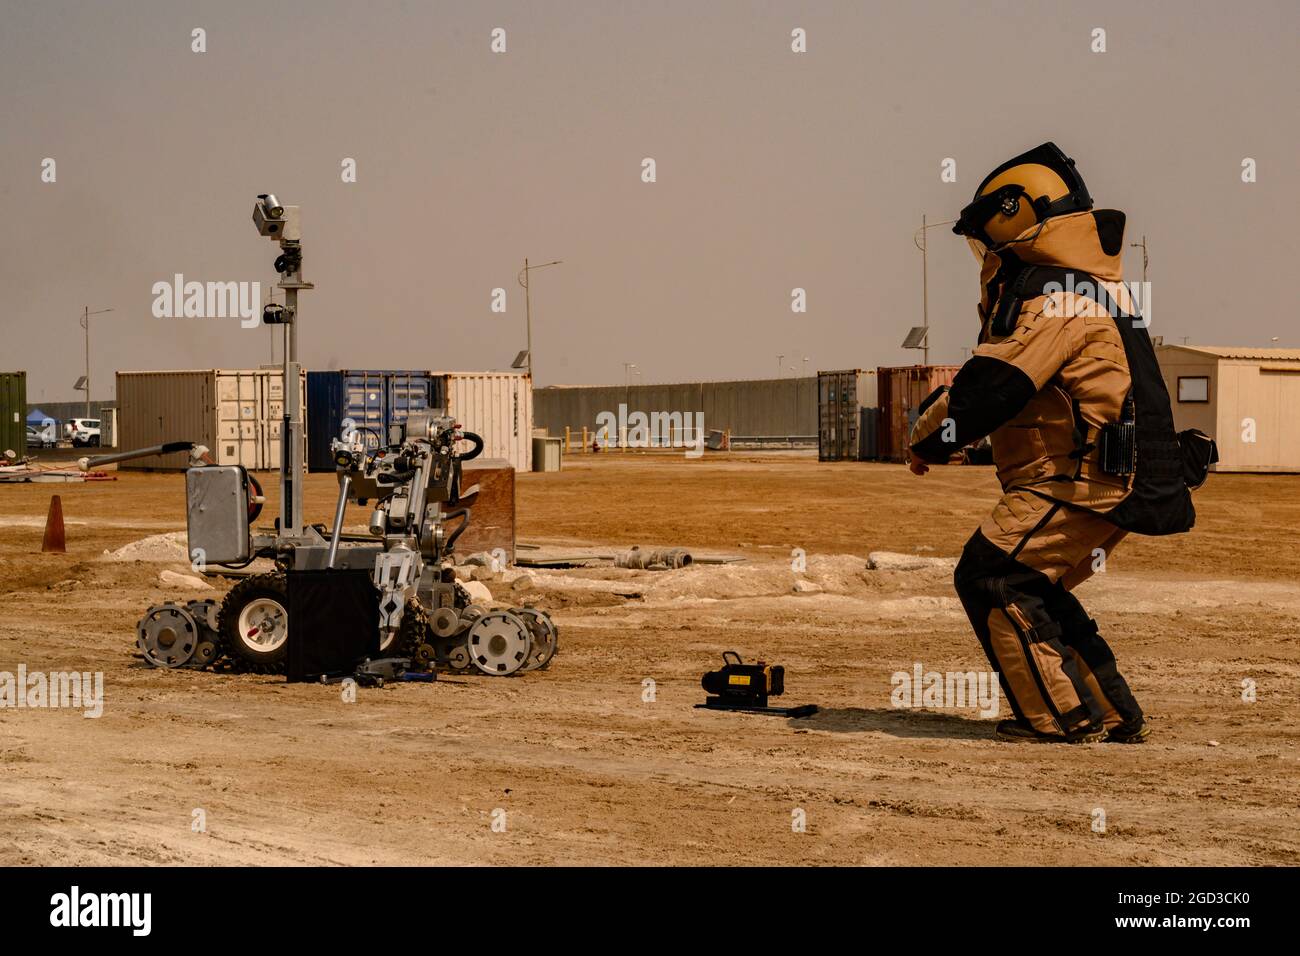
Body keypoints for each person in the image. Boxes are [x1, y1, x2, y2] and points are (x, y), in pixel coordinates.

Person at [908, 142, 1215, 744]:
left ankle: (1060, 717)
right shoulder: (1097, 291)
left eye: (986, 236)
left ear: (1018, 215)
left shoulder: (1055, 297)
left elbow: (993, 386)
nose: (985, 254)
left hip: (1078, 480)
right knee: (1034, 584)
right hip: (1106, 477)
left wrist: (927, 438)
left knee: (991, 577)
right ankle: (1109, 712)